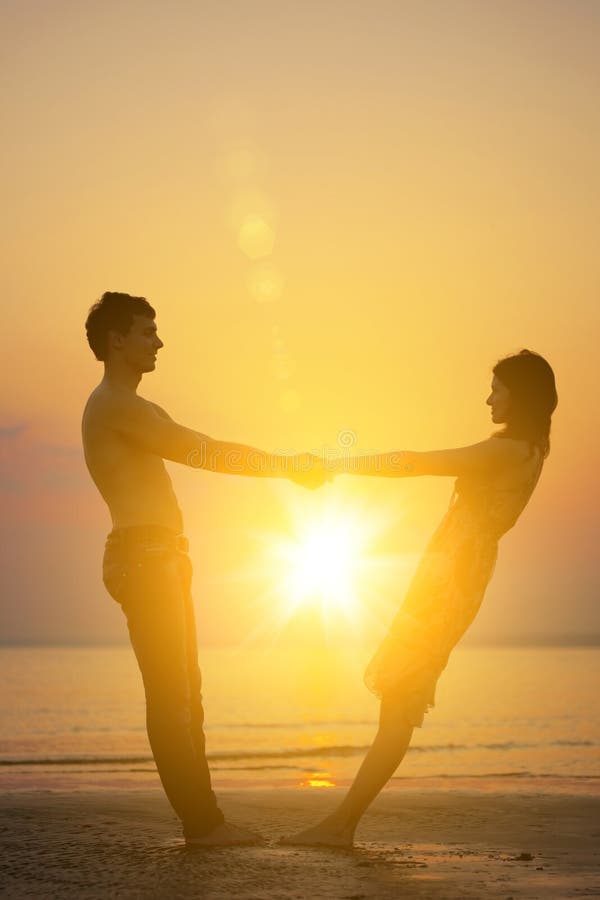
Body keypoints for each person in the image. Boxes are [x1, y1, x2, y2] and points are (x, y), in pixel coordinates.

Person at [81, 291, 329, 847]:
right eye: (147, 332)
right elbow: (204, 451)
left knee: (187, 696)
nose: (159, 341)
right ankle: (203, 826)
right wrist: (287, 467)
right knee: (172, 698)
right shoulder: (116, 405)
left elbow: (202, 445)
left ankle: (207, 822)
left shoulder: (135, 406)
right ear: (116, 340)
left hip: (160, 555)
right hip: (144, 557)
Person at [281, 349, 558, 847]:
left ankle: (341, 826)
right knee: (400, 700)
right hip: (455, 575)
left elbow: (417, 463)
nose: (488, 397)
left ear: (522, 394)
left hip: (448, 581)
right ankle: (342, 823)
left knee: (400, 702)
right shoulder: (531, 450)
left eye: (497, 388)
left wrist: (340, 464)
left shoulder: (509, 451)